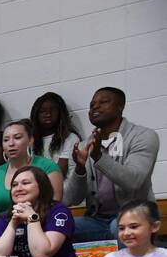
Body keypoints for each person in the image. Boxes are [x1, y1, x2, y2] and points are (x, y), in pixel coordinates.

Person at [65, 87, 162, 242]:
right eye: (92, 105)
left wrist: (98, 157)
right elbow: (72, 199)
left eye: (103, 102)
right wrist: (80, 168)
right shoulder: (84, 145)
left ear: (120, 106)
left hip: (138, 215)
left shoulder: (143, 136)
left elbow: (133, 181)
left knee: (119, 227)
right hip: (97, 220)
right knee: (61, 228)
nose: (95, 107)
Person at [0, 119, 65, 228]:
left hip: (42, 225)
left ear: (30, 140)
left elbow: (54, 205)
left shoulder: (48, 167)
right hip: (4, 229)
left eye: (17, 138)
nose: (11, 143)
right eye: (6, 140)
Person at [30, 91, 80, 179]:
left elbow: (60, 172)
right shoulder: (31, 140)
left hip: (63, 189)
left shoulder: (70, 138)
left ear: (61, 113)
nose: (48, 114)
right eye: (42, 111)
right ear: (36, 114)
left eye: (53, 110)